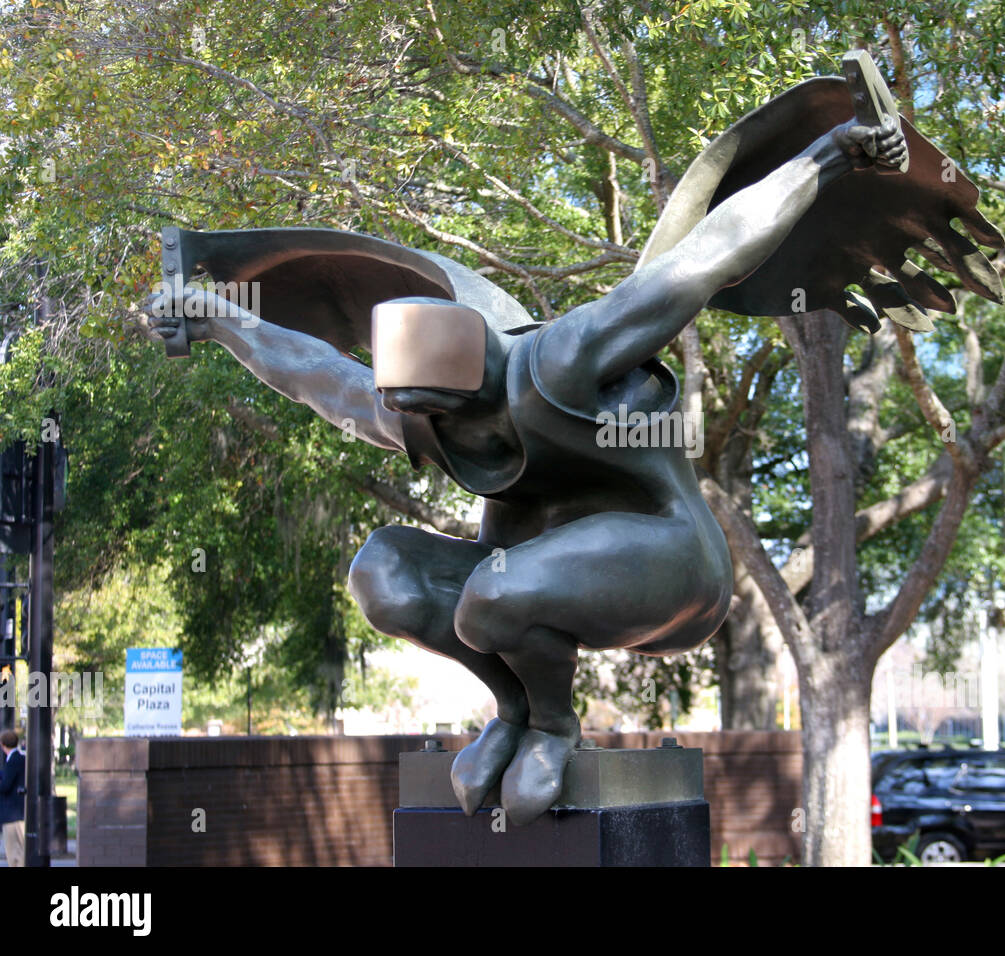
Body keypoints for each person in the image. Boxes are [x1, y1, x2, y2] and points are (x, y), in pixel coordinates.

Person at [147, 117, 907, 825]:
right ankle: (516, 711)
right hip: (526, 583)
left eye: (457, 412)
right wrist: (218, 318)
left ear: (483, 374)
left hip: (676, 567)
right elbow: (315, 373)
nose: (450, 432)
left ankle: (552, 724)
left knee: (496, 591)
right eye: (427, 416)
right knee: (385, 572)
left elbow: (713, 251)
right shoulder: (420, 411)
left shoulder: (564, 359)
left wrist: (830, 155)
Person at [0, 730, 25, 867]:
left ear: (2, 744)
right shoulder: (20, 758)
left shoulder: (12, 761)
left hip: (12, 815)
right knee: (20, 851)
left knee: (14, 853)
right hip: (20, 813)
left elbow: (5, 786)